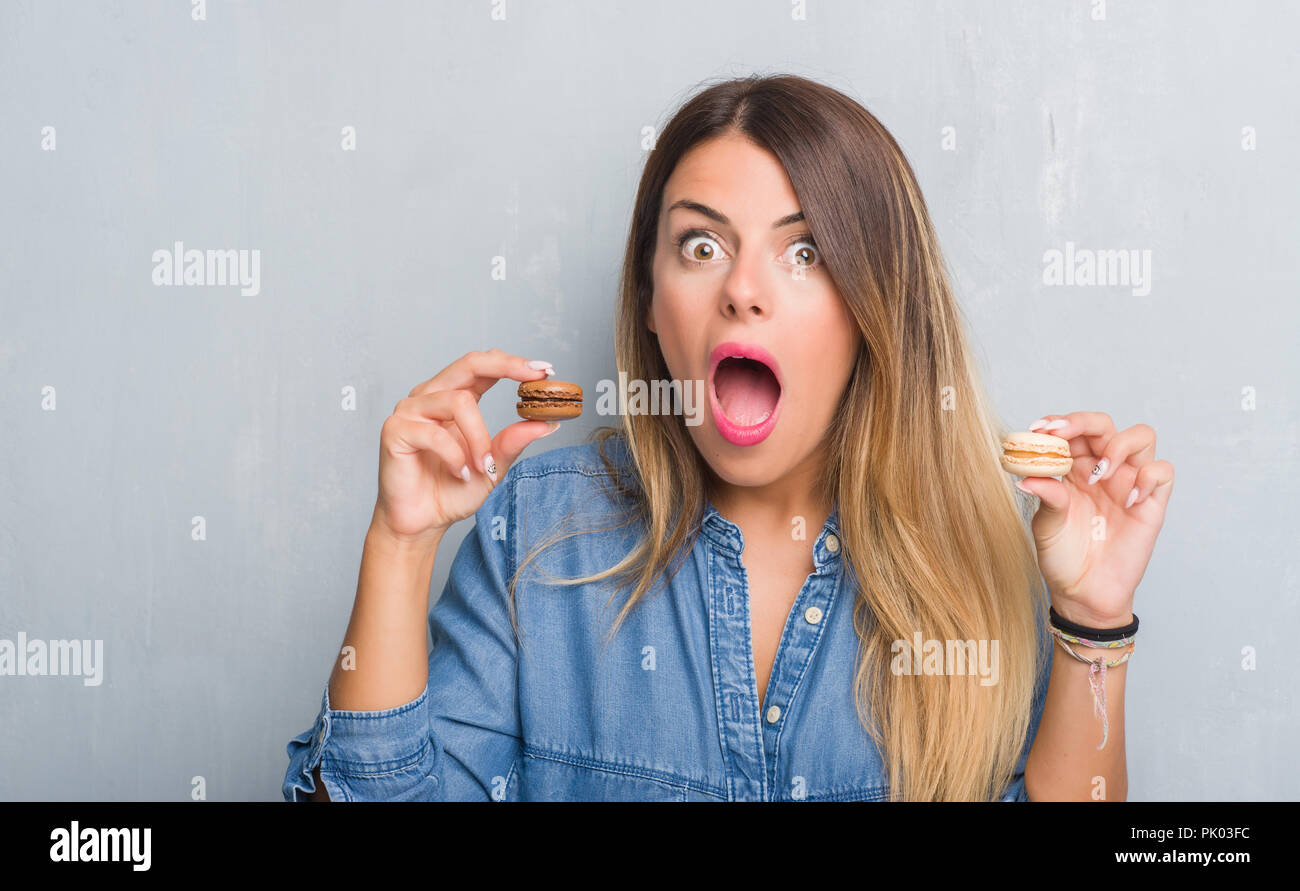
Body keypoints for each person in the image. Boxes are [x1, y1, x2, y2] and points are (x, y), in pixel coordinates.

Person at [282, 74, 1174, 802]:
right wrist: (399, 546)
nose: (743, 290)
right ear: (651, 305)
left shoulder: (976, 563)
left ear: (874, 310)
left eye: (805, 251)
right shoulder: (541, 531)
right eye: (701, 247)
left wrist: (1092, 620)